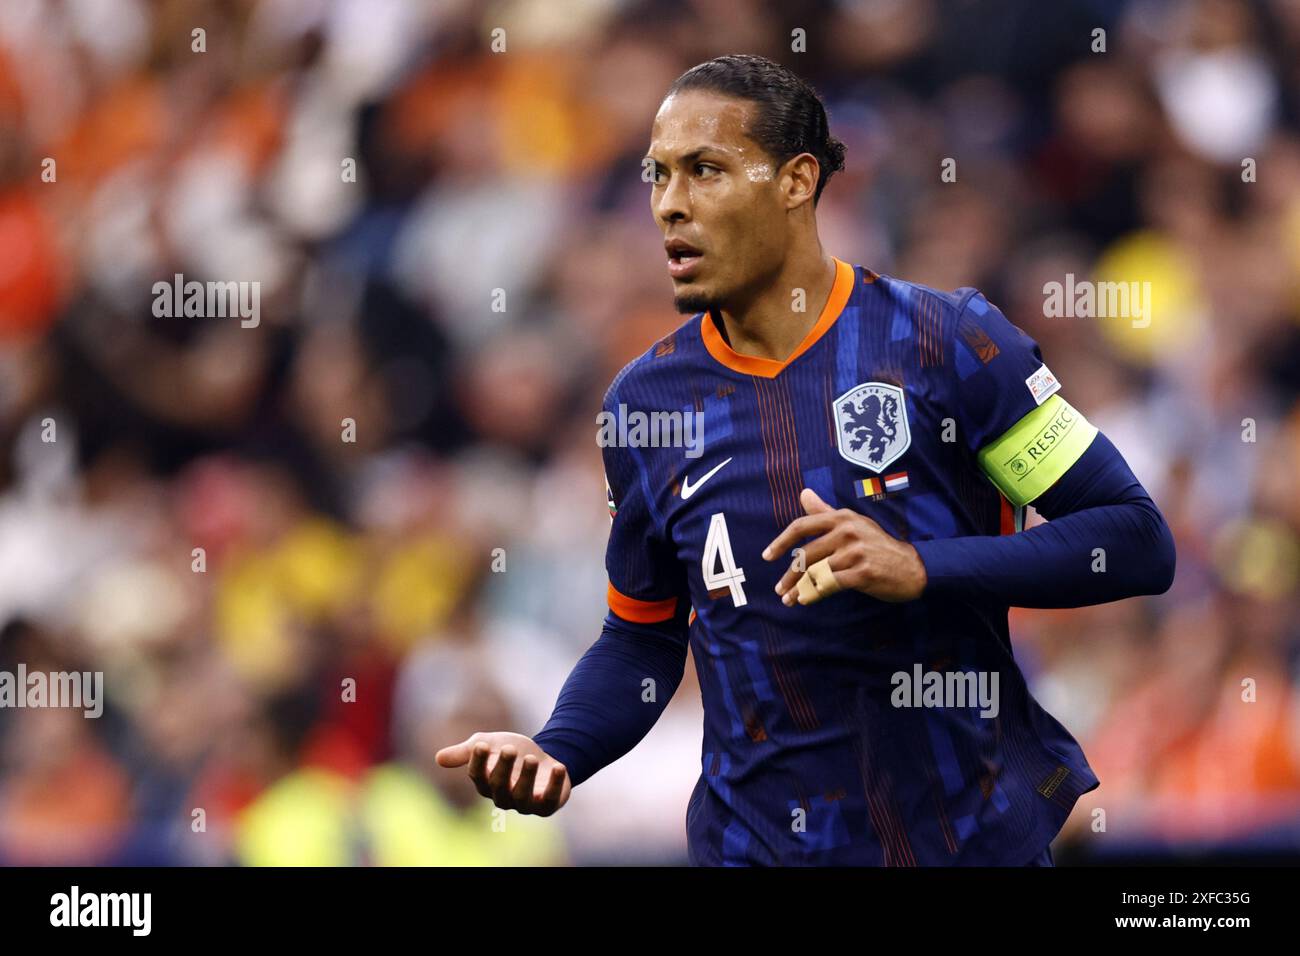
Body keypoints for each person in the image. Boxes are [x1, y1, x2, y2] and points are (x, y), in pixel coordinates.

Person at [436, 54, 1176, 866]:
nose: (670, 205)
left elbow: (1135, 539)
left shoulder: (950, 345)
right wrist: (562, 748)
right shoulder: (644, 408)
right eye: (658, 176)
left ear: (795, 180)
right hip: (754, 849)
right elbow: (641, 637)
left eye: (705, 171)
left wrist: (922, 567)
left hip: (964, 842)